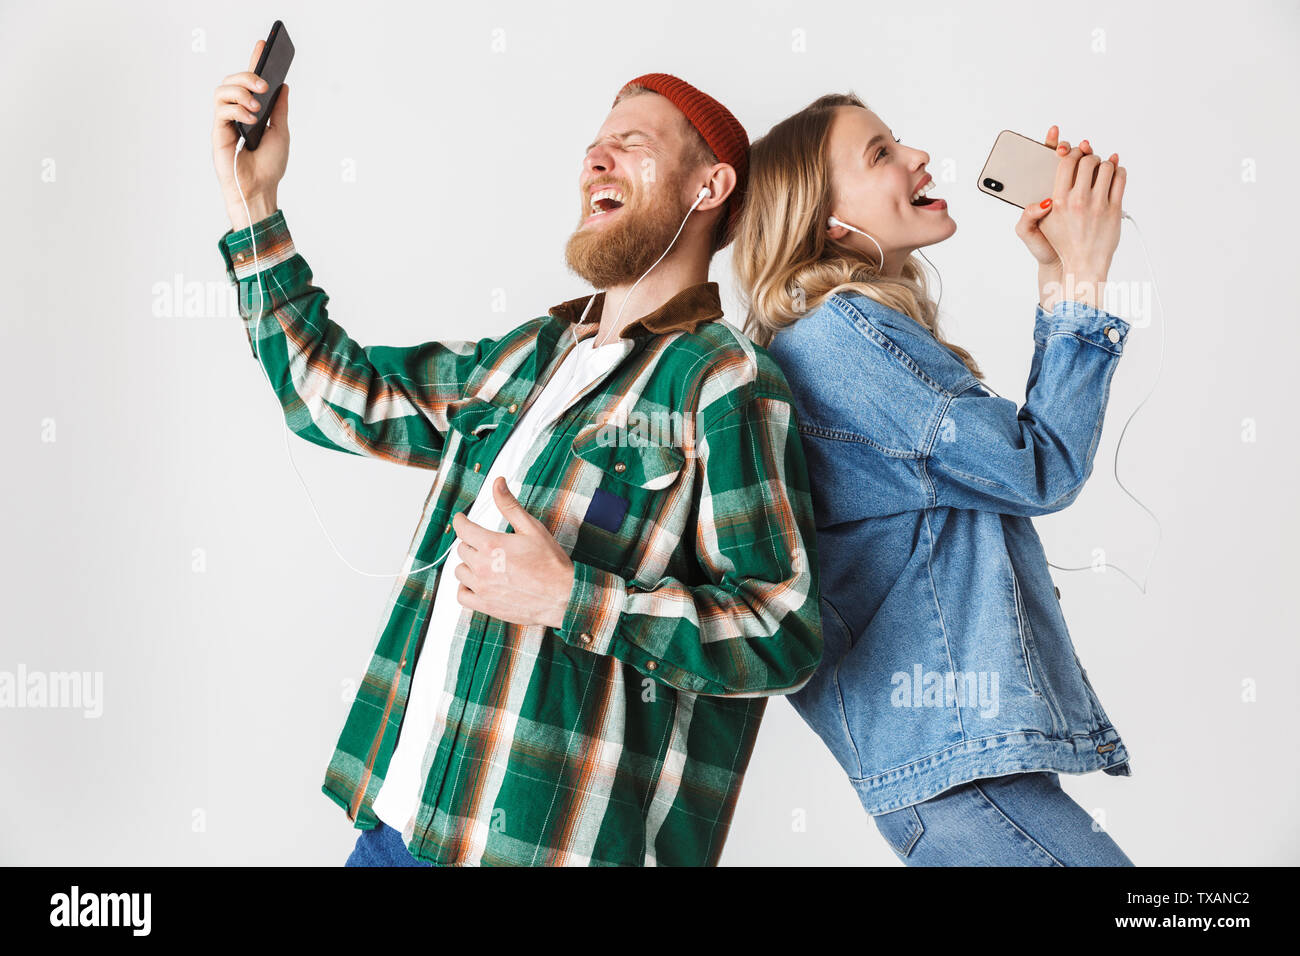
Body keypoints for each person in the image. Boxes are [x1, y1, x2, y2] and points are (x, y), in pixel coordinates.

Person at [210, 42, 822, 867]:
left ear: (708, 188)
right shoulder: (526, 356)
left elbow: (781, 631)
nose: (595, 160)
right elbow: (333, 393)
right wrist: (252, 202)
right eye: (592, 148)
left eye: (633, 146)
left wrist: (573, 596)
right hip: (398, 825)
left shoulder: (723, 382)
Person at [731, 92, 1135, 866]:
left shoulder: (829, 337)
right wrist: (1084, 275)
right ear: (823, 223)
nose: (918, 157)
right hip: (959, 777)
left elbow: (1022, 465)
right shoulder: (841, 337)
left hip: (956, 776)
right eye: (880, 153)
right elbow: (1038, 470)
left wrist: (1056, 271)